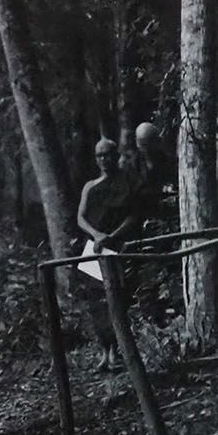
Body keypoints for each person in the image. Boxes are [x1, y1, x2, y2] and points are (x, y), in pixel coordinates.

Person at [76, 138, 142, 371]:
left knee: (118, 298)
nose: (104, 159)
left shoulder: (128, 182)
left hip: (119, 246)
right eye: (99, 156)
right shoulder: (90, 186)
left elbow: (134, 216)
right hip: (94, 248)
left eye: (107, 155)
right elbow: (81, 217)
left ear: (116, 155)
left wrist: (112, 236)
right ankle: (104, 352)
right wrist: (96, 235)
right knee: (96, 301)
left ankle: (117, 352)